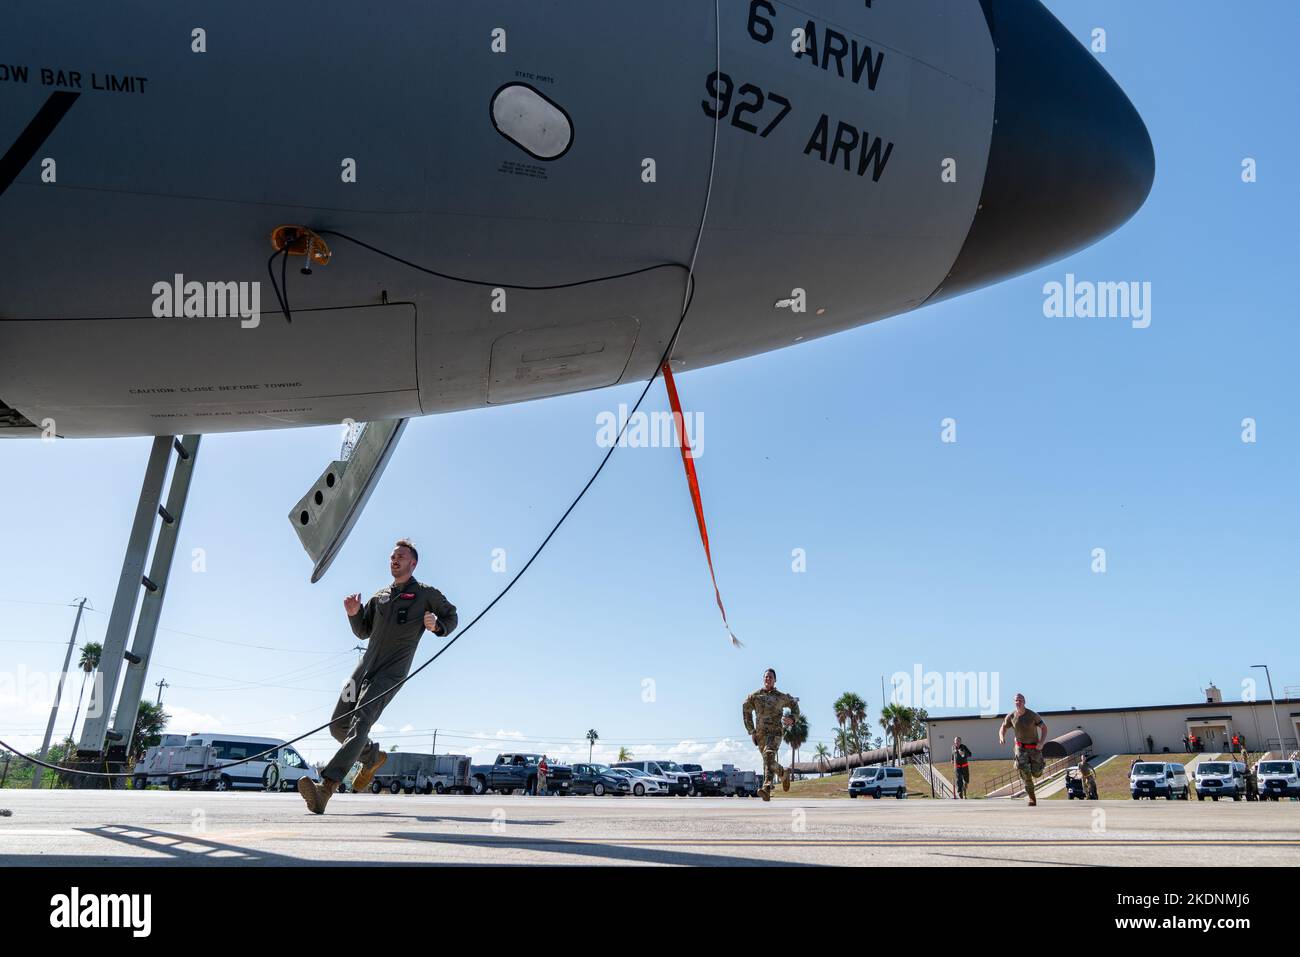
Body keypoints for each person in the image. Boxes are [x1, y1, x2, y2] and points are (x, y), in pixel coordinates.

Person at [298, 538, 457, 814]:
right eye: (392, 556)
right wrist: (354, 614)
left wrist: (437, 625)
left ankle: (326, 789)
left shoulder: (425, 594)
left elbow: (452, 617)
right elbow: (363, 631)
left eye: (401, 556)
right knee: (337, 725)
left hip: (390, 673)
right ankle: (372, 757)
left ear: (413, 563)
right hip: (363, 669)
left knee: (360, 721)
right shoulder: (380, 595)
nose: (394, 560)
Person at [742, 668, 800, 801]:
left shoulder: (781, 696)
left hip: (775, 732)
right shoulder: (755, 696)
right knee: (767, 762)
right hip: (760, 734)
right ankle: (773, 783)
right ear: (763, 679)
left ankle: (774, 780)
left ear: (775, 680)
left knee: (768, 755)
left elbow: (794, 705)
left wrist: (792, 718)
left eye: (771, 677)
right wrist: (752, 731)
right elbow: (745, 709)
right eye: (766, 677)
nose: (768, 679)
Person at [999, 692, 1048, 806]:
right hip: (1020, 748)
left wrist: (1041, 742)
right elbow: (1003, 727)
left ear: (1024, 702)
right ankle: (1032, 798)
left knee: (1036, 773)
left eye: (1020, 700)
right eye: (1016, 700)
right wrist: (1001, 736)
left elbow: (1044, 728)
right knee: (1025, 773)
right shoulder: (1011, 716)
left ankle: (1040, 766)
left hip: (1034, 748)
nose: (1018, 702)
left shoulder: (1032, 715)